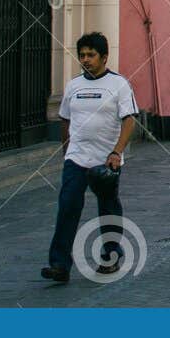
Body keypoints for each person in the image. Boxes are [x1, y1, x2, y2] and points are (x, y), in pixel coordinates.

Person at [41, 32, 138, 282]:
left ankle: (111, 256)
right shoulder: (74, 85)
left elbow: (129, 120)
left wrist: (117, 152)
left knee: (108, 207)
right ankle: (60, 264)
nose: (85, 59)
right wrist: (67, 151)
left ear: (104, 57)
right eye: (82, 55)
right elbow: (65, 119)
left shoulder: (118, 85)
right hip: (76, 159)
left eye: (91, 55)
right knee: (68, 207)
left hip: (106, 160)